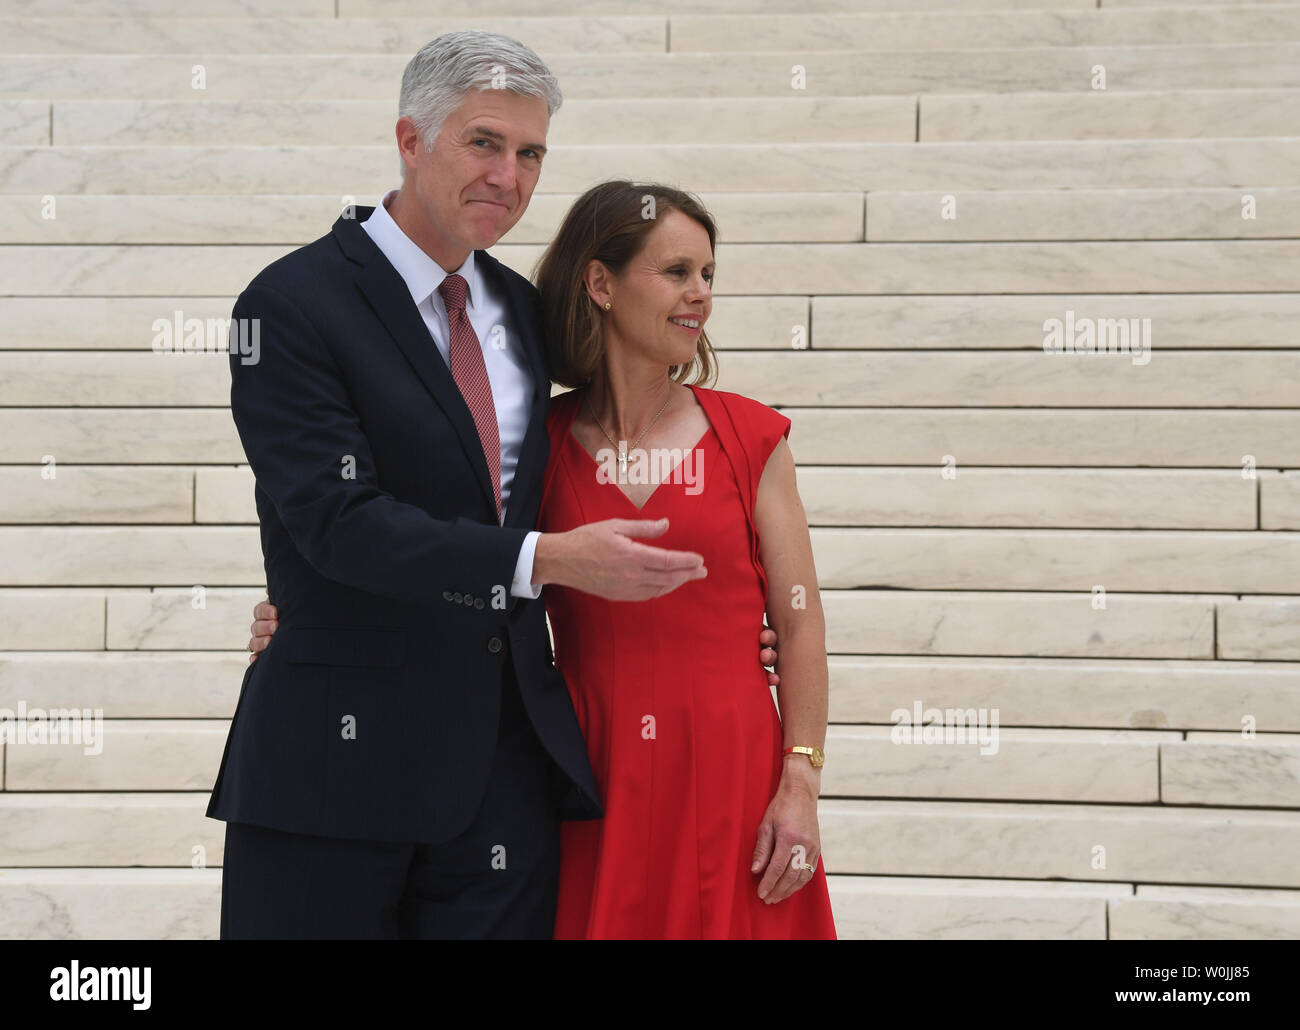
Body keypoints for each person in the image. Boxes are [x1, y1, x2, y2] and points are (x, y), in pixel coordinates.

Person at [208, 29, 777, 940]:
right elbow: (335, 520)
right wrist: (541, 560)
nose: (507, 176)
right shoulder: (288, 306)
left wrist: (724, 625)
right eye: (483, 143)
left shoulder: (521, 309)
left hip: (503, 782)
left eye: (530, 154)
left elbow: (619, 401)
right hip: (334, 767)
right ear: (409, 139)